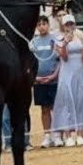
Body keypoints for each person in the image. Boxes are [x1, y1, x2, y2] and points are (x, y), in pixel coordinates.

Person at [51, 17, 83, 146]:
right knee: (66, 102)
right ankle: (68, 135)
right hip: (67, 72)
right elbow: (63, 57)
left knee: (80, 101)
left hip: (79, 72)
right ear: (63, 26)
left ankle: (80, 134)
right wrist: (65, 43)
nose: (69, 26)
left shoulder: (79, 36)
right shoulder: (58, 39)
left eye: (71, 23)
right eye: (67, 24)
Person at [30, 16, 62, 147]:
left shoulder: (55, 39)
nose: (42, 27)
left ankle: (57, 135)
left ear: (48, 25)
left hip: (53, 80)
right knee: (44, 109)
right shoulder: (33, 42)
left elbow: (60, 61)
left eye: (44, 24)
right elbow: (30, 62)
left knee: (55, 108)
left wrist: (54, 75)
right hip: (39, 81)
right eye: (39, 24)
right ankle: (47, 136)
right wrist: (34, 77)